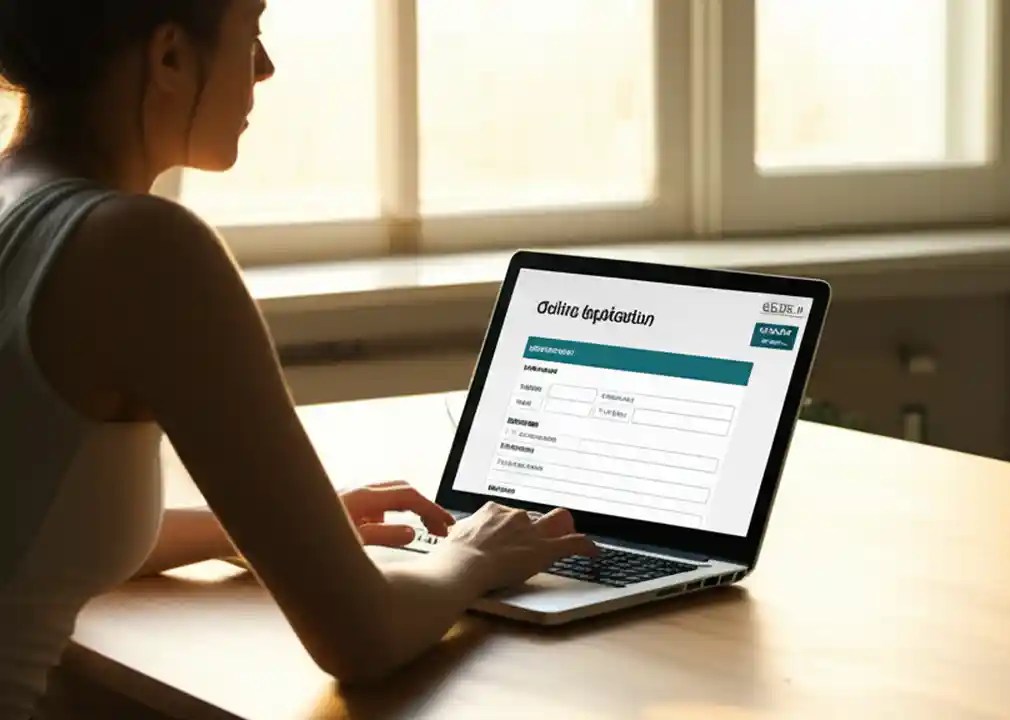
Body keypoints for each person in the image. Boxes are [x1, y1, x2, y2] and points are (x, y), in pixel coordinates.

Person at [0, 0, 597, 716]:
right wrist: (472, 555)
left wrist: (281, 527)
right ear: (168, 58)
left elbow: (26, 515)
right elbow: (363, 639)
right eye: (251, 31)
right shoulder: (140, 249)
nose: (266, 67)